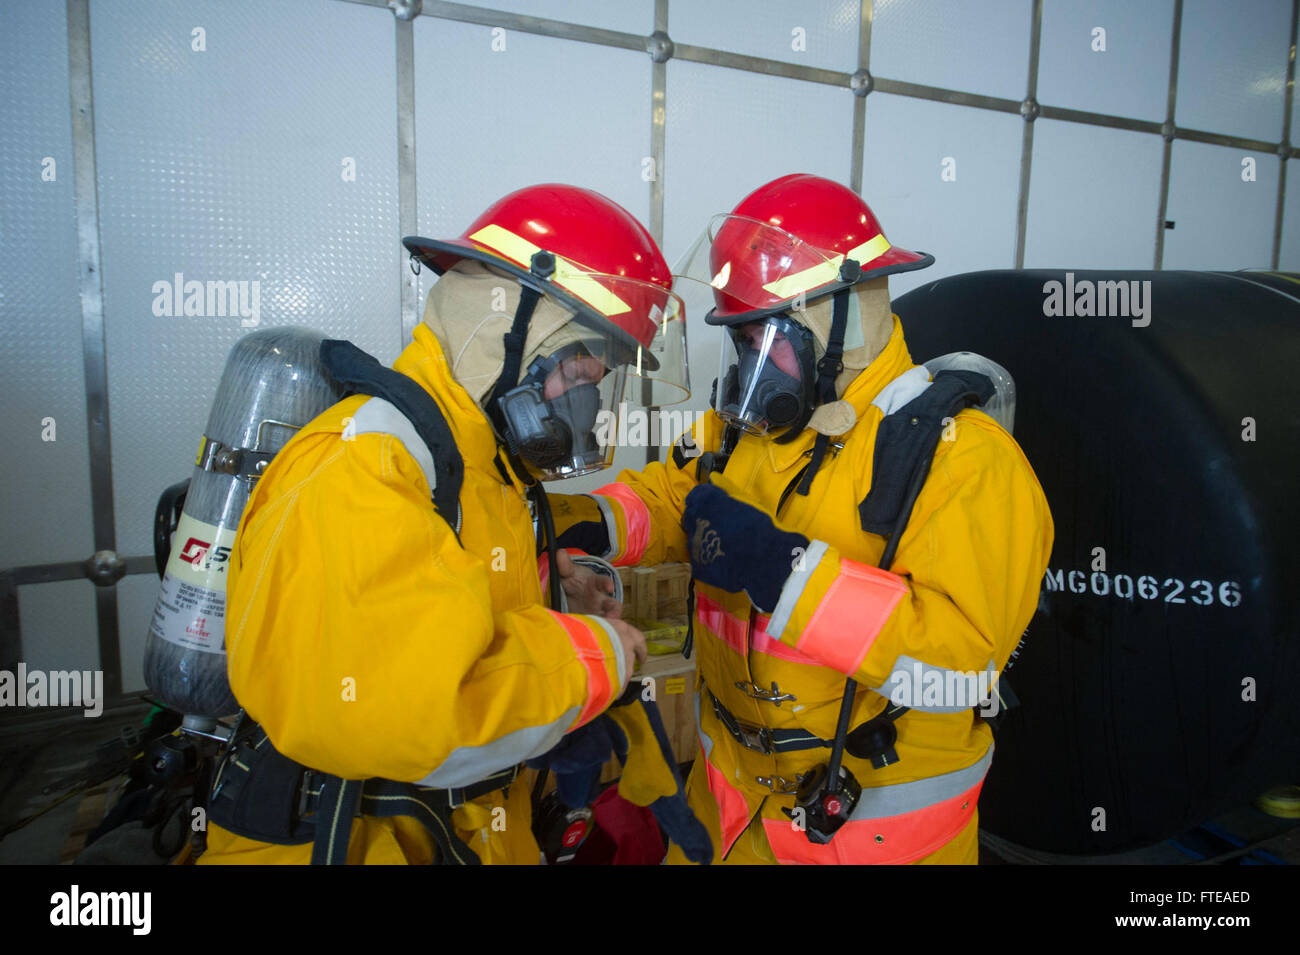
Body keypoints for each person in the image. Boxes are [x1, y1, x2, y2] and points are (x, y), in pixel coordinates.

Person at [550, 173, 1054, 864]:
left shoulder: (965, 460)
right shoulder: (742, 431)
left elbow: (960, 669)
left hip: (871, 833)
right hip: (729, 807)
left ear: (839, 320)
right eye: (744, 341)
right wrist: (571, 525)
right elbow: (670, 499)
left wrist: (782, 571)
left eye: (770, 337)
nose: (755, 362)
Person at [199, 183, 691, 865]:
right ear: (506, 331)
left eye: (596, 379)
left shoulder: (470, 461)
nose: (586, 402)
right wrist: (598, 653)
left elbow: (438, 593)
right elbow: (430, 712)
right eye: (578, 367)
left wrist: (551, 589)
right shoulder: (366, 468)